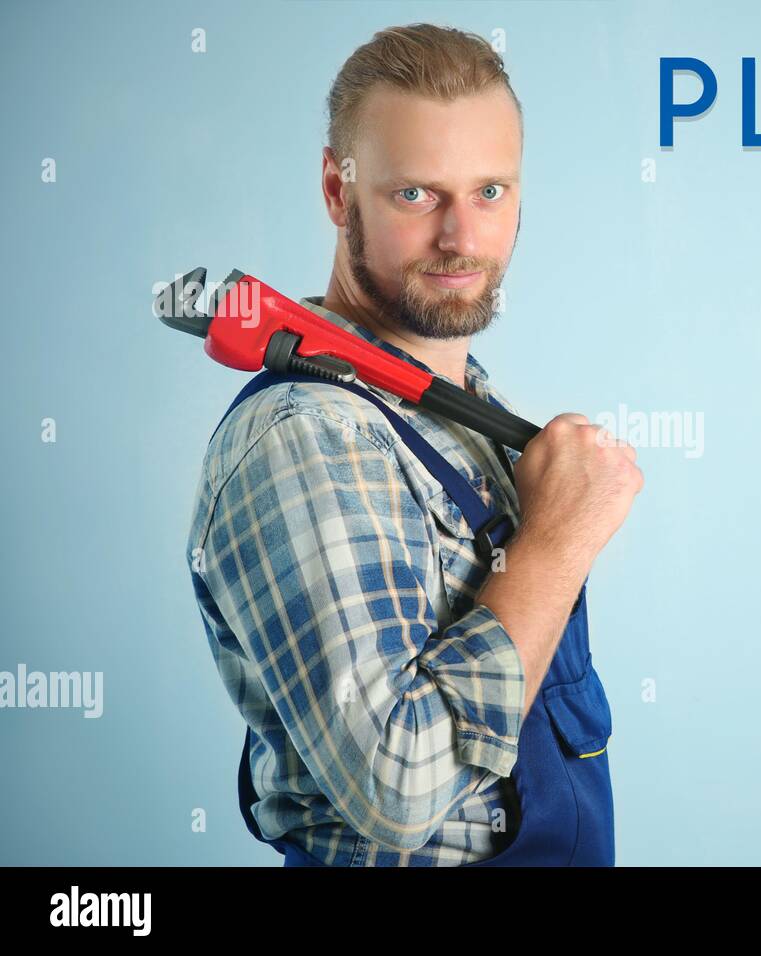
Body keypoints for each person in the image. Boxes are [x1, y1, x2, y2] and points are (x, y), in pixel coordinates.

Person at [185, 23, 642, 866]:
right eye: (416, 195)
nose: (462, 239)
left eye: (491, 192)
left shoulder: (469, 412)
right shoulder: (305, 440)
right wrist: (561, 538)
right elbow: (397, 787)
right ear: (337, 189)